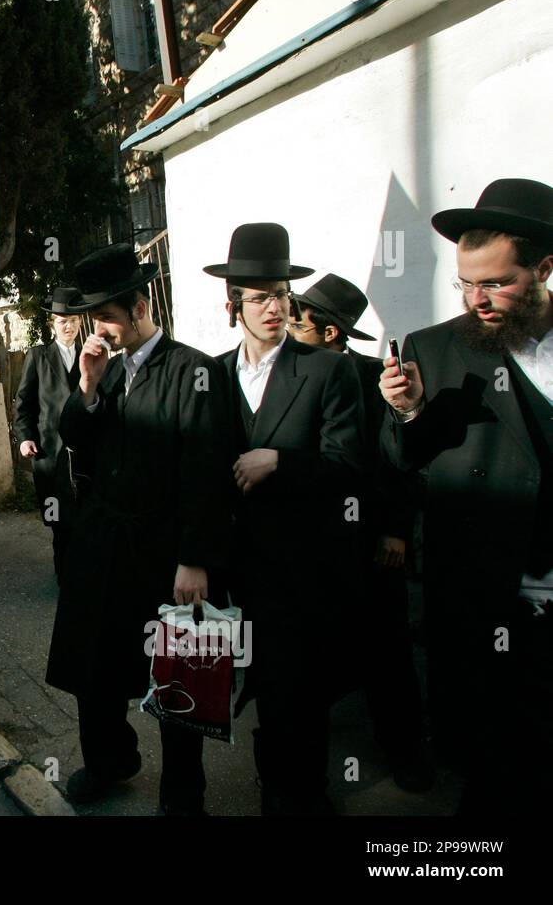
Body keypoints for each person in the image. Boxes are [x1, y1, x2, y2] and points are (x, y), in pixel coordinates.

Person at [379, 177, 553, 814]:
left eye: (497, 283)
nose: (477, 299)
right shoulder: (434, 350)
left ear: (544, 268)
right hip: (486, 597)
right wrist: (409, 411)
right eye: (466, 284)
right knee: (491, 769)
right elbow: (400, 462)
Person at [44, 245, 234, 813]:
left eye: (106, 319)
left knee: (182, 674)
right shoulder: (101, 368)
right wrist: (87, 384)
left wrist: (195, 557)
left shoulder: (193, 370)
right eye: (90, 321)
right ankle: (109, 763)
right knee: (95, 674)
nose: (97, 332)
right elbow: (73, 437)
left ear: (141, 305)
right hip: (103, 543)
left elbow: (207, 470)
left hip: (168, 551)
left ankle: (183, 794)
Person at [207, 223, 364, 815]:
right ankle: (274, 781)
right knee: (250, 682)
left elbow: (349, 467)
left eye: (281, 293)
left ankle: (302, 790)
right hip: (232, 567)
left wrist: (281, 461)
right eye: (259, 296)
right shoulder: (212, 376)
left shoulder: (326, 372)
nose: (275, 307)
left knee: (299, 689)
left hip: (302, 569)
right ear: (233, 307)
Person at [291, 272, 432, 792]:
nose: (287, 327)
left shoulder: (377, 379)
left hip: (373, 544)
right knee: (314, 657)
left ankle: (406, 751)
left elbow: (400, 463)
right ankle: (306, 769)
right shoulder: (290, 376)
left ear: (331, 334)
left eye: (298, 321)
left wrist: (395, 531)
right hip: (314, 548)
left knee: (388, 653)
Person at [14, 288, 83, 579]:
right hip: (50, 453)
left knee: (86, 517)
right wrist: (25, 436)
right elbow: (24, 404)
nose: (68, 326)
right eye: (61, 321)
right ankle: (65, 574)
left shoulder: (94, 355)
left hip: (85, 455)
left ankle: (88, 572)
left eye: (74, 320)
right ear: (51, 325)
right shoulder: (39, 357)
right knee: (59, 522)